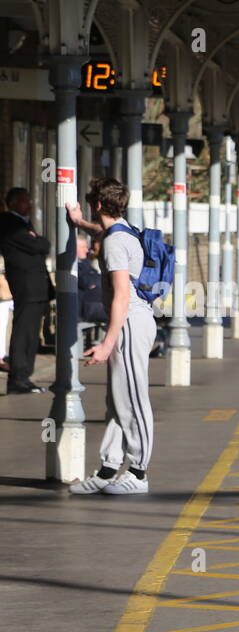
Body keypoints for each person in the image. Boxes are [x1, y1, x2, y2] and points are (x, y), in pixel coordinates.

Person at [64, 178, 157, 495]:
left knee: (132, 398)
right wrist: (79, 223)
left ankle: (139, 472)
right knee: (118, 398)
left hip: (128, 321)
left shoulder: (116, 243)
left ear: (99, 204)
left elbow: (120, 296)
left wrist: (106, 342)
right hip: (132, 321)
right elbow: (102, 232)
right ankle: (108, 468)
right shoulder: (121, 231)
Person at [0, 187, 52, 394]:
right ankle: (18, 377)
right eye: (23, 201)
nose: (28, 204)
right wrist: (38, 241)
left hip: (37, 285)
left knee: (32, 333)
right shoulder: (8, 222)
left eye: (29, 200)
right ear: (12, 203)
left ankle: (25, 376)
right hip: (25, 284)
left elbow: (42, 244)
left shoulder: (24, 223)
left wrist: (39, 242)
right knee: (23, 332)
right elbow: (37, 245)